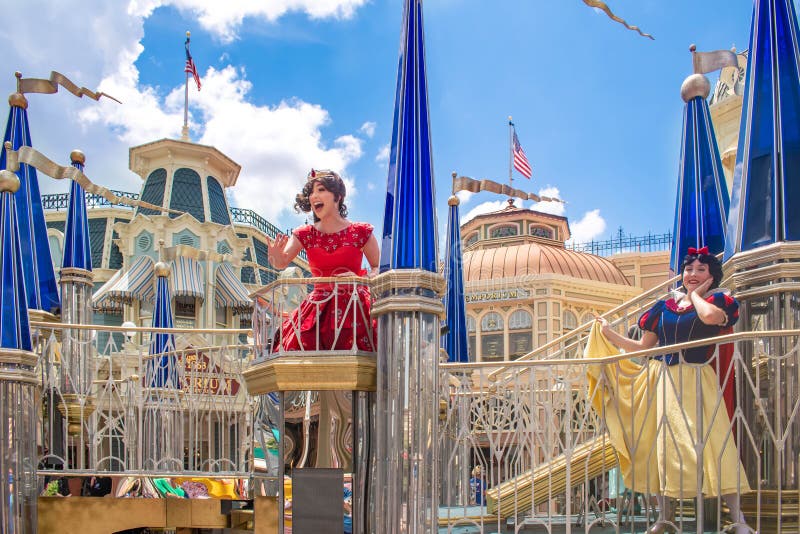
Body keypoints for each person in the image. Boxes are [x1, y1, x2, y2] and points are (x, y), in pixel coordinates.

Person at [596, 247, 751, 534]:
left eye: (700, 270)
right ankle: (664, 517)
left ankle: (738, 519)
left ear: (711, 276)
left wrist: (694, 295)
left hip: (697, 379)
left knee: (714, 443)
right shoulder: (663, 307)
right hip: (663, 380)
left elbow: (709, 319)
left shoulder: (719, 300)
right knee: (661, 446)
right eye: (689, 269)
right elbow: (644, 348)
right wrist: (609, 334)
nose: (692, 274)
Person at [268, 169, 380, 352]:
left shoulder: (361, 232)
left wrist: (361, 278)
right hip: (317, 309)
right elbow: (281, 263)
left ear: (338, 196)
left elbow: (377, 268)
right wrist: (276, 257)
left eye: (320, 190)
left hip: (354, 307)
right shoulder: (304, 234)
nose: (314, 196)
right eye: (311, 192)